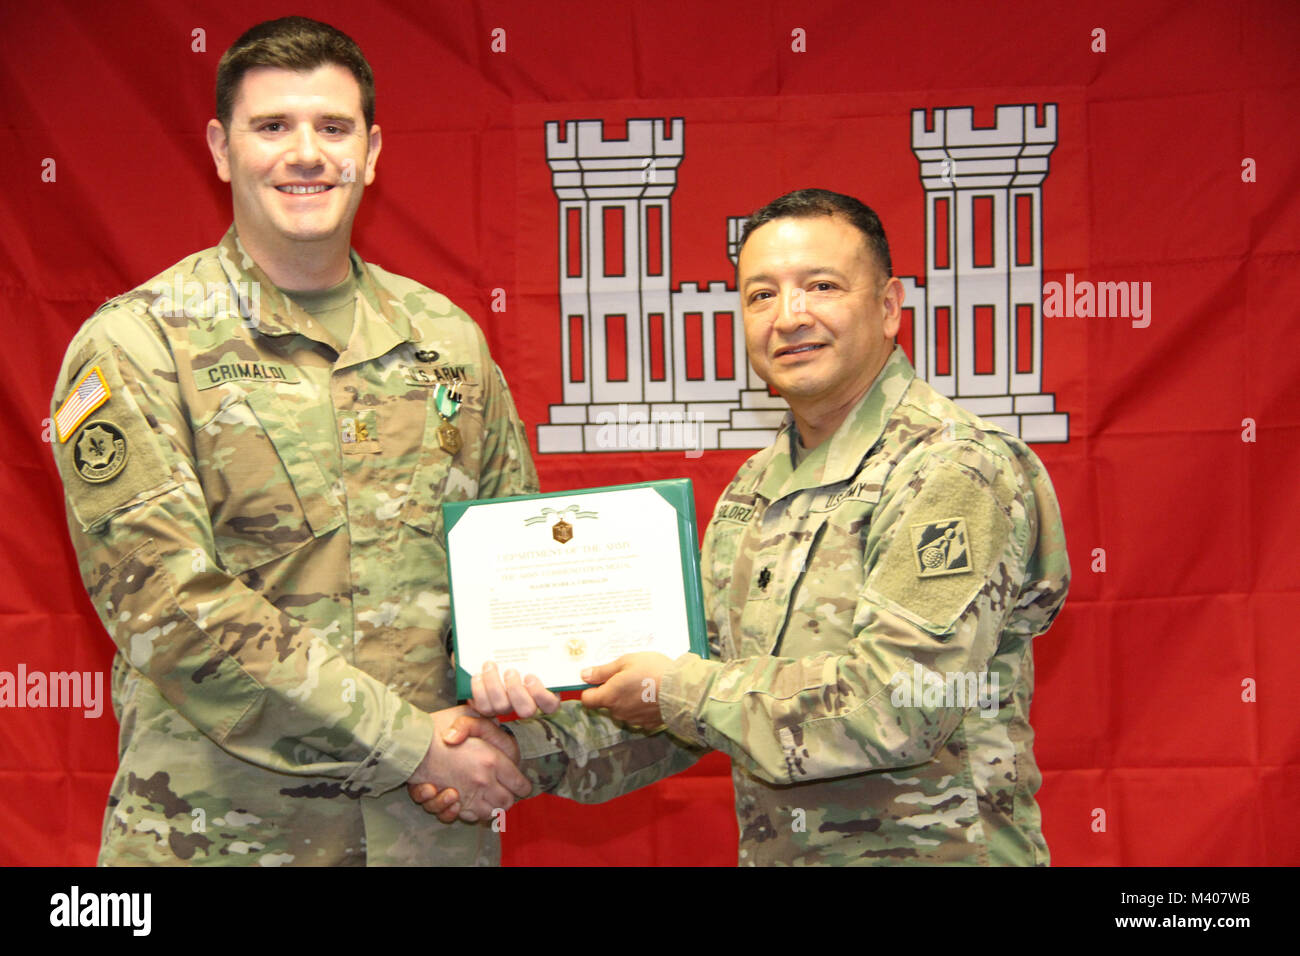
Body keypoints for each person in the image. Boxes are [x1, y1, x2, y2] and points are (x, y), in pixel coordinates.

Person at [416, 188, 1071, 866]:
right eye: (761, 295)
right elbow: (698, 706)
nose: (790, 317)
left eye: (821, 286)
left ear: (889, 307)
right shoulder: (755, 489)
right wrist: (518, 755)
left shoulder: (953, 468)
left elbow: (896, 707)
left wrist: (674, 690)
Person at [49, 17, 534, 866]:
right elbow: (170, 607)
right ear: (220, 148)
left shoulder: (446, 340)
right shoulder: (139, 343)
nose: (305, 153)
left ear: (372, 152)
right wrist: (409, 739)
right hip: (222, 838)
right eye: (272, 127)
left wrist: (520, 700)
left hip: (428, 836)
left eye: (333, 128)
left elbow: (514, 562)